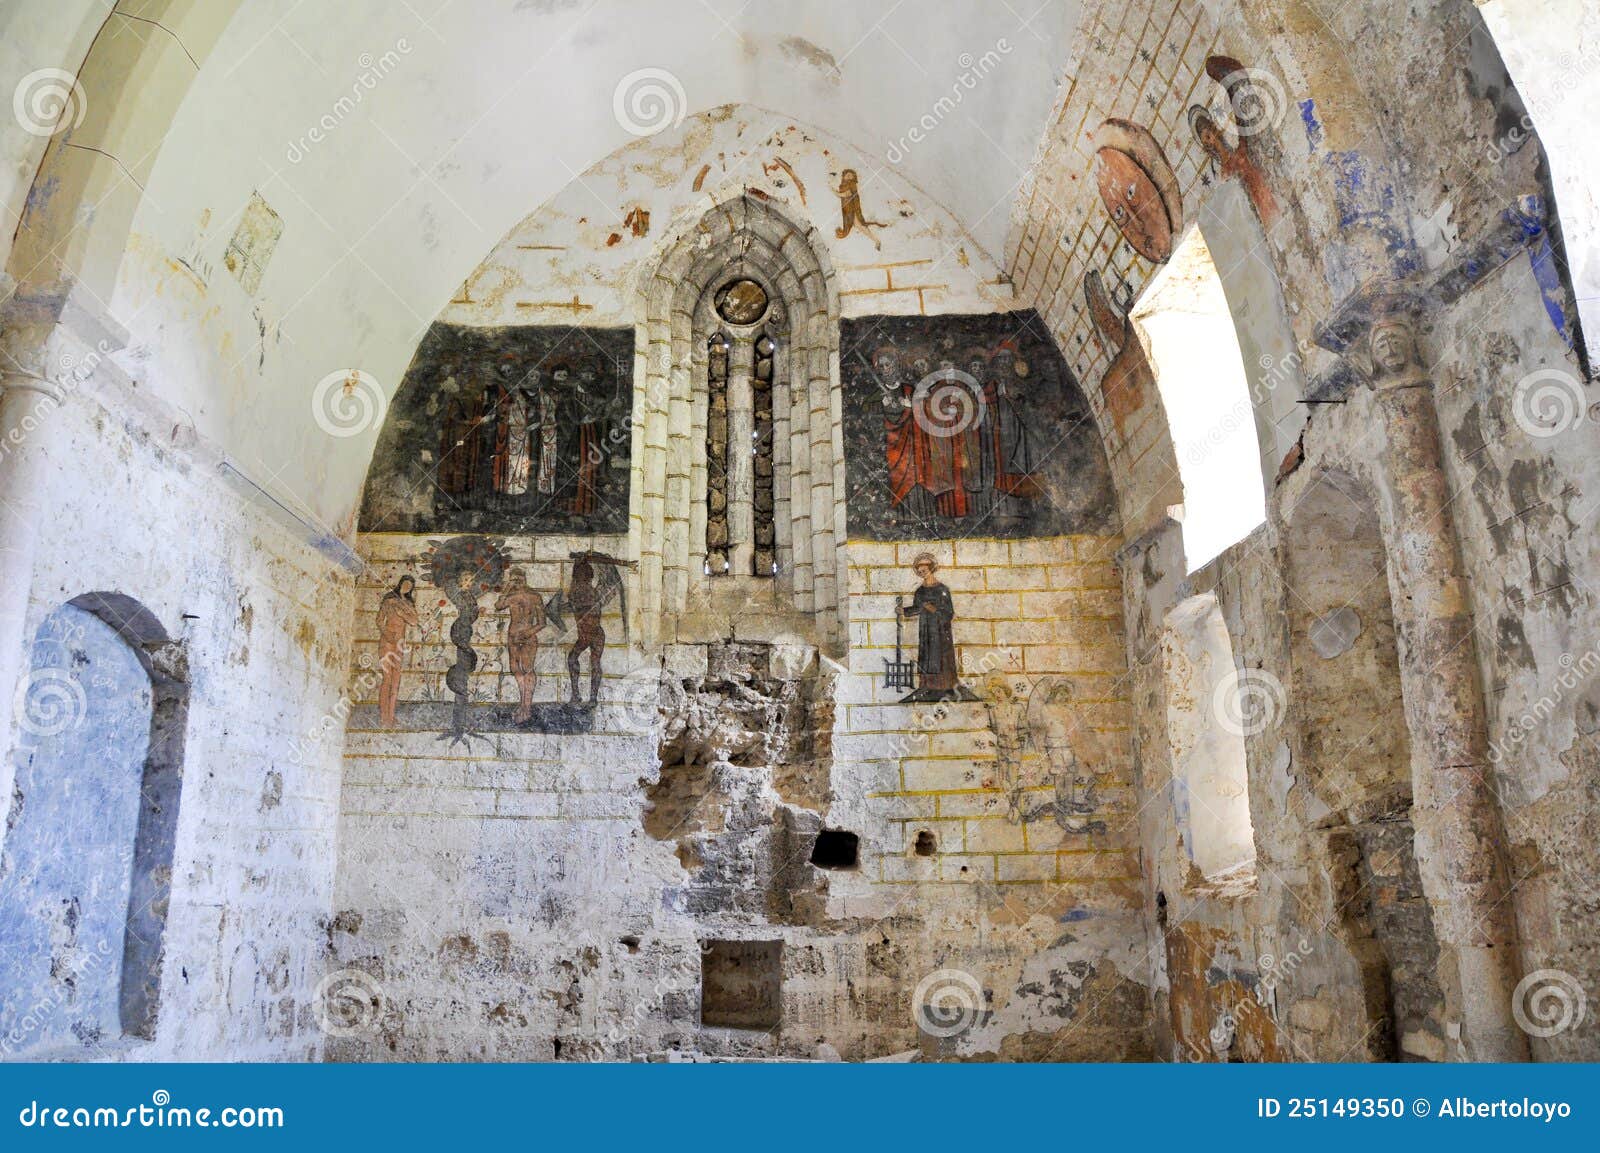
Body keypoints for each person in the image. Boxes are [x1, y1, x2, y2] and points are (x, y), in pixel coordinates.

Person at [900, 552, 958, 700]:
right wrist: (903, 611)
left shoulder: (942, 589)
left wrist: (934, 609)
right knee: (927, 657)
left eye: (924, 571)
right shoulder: (920, 591)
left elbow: (949, 613)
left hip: (940, 631)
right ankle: (928, 686)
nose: (922, 574)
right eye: (919, 572)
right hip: (926, 629)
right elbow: (917, 608)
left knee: (941, 657)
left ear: (931, 569)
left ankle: (946, 687)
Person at [496, 568, 546, 723]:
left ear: (524, 579)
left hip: (527, 637)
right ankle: (523, 704)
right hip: (512, 636)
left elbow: (542, 623)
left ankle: (527, 708)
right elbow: (498, 605)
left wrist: (528, 633)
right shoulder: (511, 596)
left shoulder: (535, 596)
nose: (517, 583)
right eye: (513, 580)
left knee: (527, 670)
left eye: (518, 579)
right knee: (515, 669)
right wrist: (506, 588)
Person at [376, 575, 419, 726]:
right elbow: (379, 620)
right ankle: (383, 717)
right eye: (406, 584)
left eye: (410, 586)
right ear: (400, 584)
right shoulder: (390, 600)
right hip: (387, 641)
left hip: (399, 644)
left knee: (396, 681)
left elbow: (414, 621)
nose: (407, 587)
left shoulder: (408, 603)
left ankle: (391, 716)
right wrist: (386, 633)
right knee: (387, 679)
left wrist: (403, 614)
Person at [566, 557, 604, 705]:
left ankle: (583, 697)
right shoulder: (586, 590)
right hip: (592, 633)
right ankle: (586, 697)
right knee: (592, 662)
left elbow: (580, 607)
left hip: (590, 633)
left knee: (579, 660)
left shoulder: (584, 591)